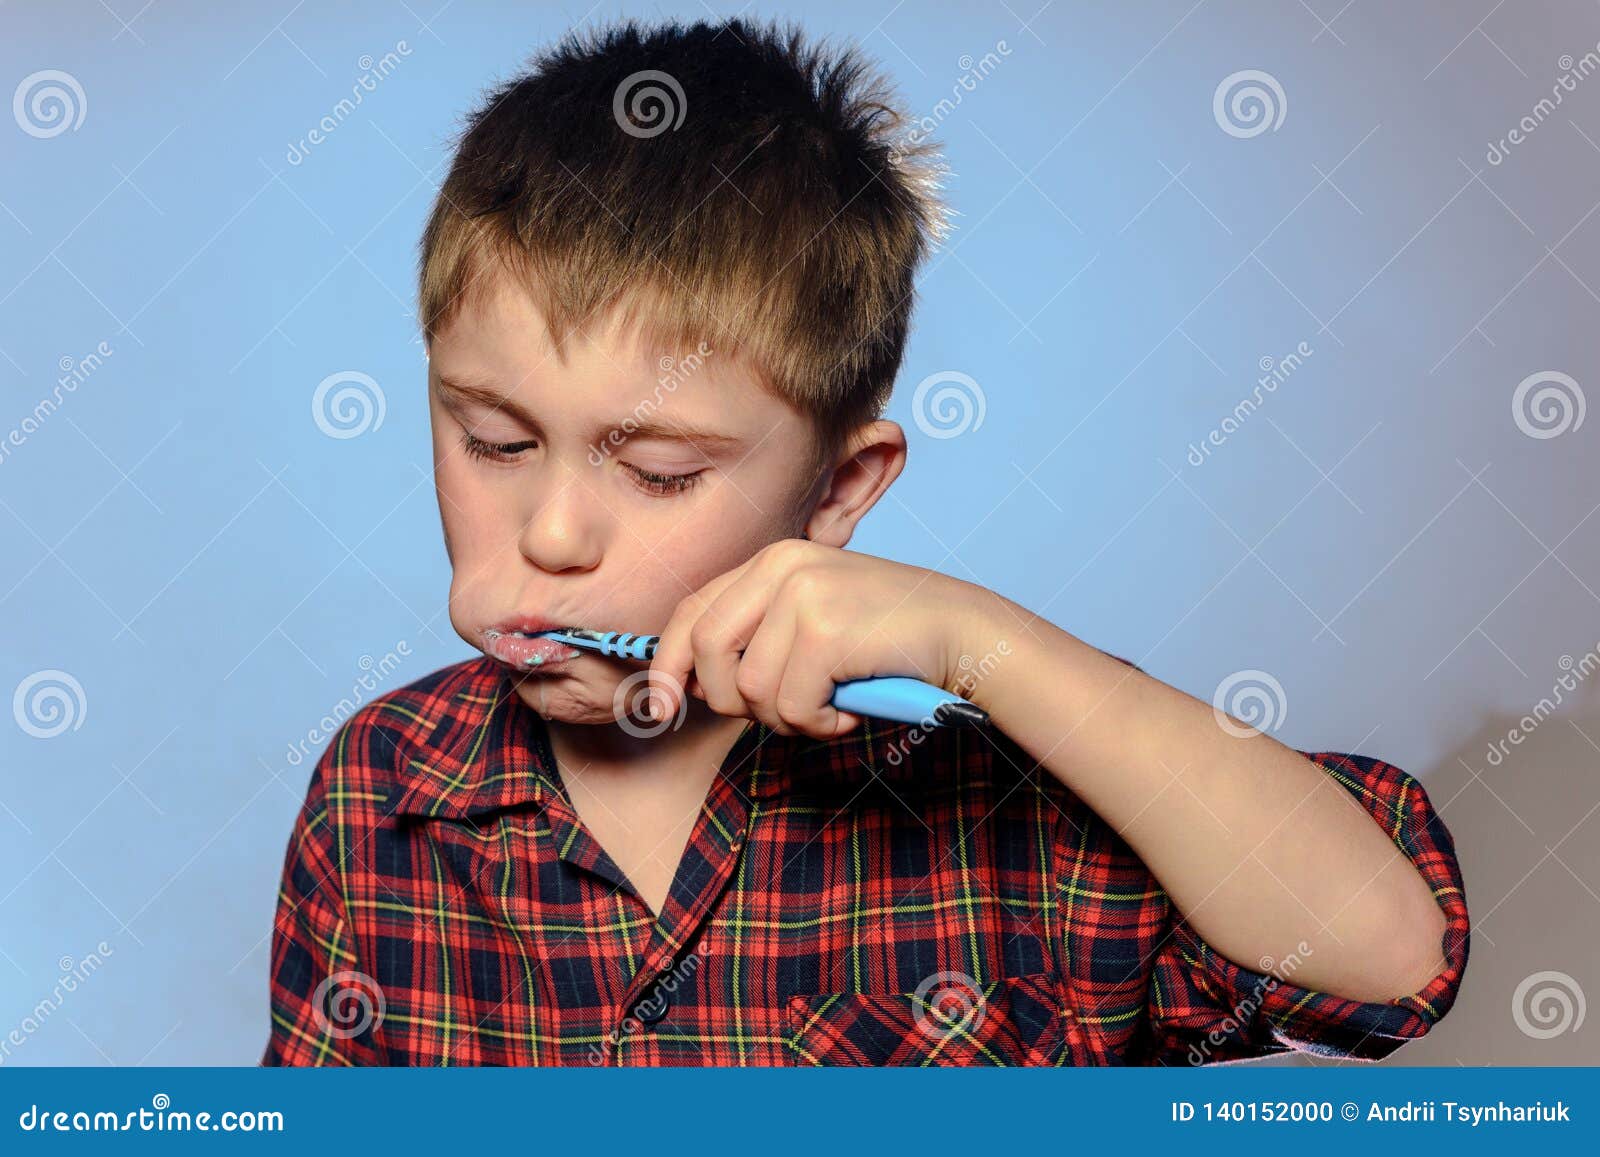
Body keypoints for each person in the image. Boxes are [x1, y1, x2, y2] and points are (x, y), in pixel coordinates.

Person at [261, 16, 1467, 1066]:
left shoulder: (1014, 800)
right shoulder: (379, 798)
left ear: (840, 487)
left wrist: (974, 638)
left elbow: (1382, 967)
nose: (555, 531)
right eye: (494, 442)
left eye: (657, 471)